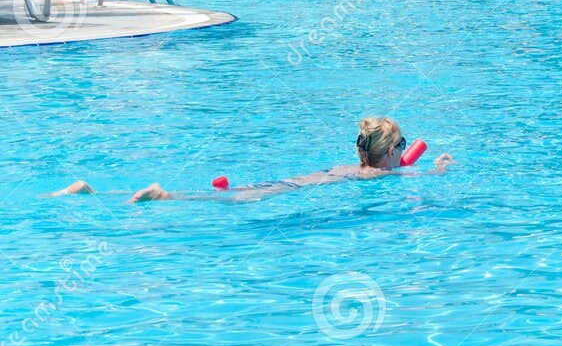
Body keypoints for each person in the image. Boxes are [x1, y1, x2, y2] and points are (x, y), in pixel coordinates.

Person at [52, 117, 451, 203]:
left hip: (293, 180)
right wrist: (437, 170)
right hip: (291, 189)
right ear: (393, 153)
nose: (404, 152)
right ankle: (164, 196)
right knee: (230, 201)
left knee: (240, 193)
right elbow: (410, 182)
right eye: (401, 146)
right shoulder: (377, 180)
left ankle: (92, 191)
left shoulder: (352, 168)